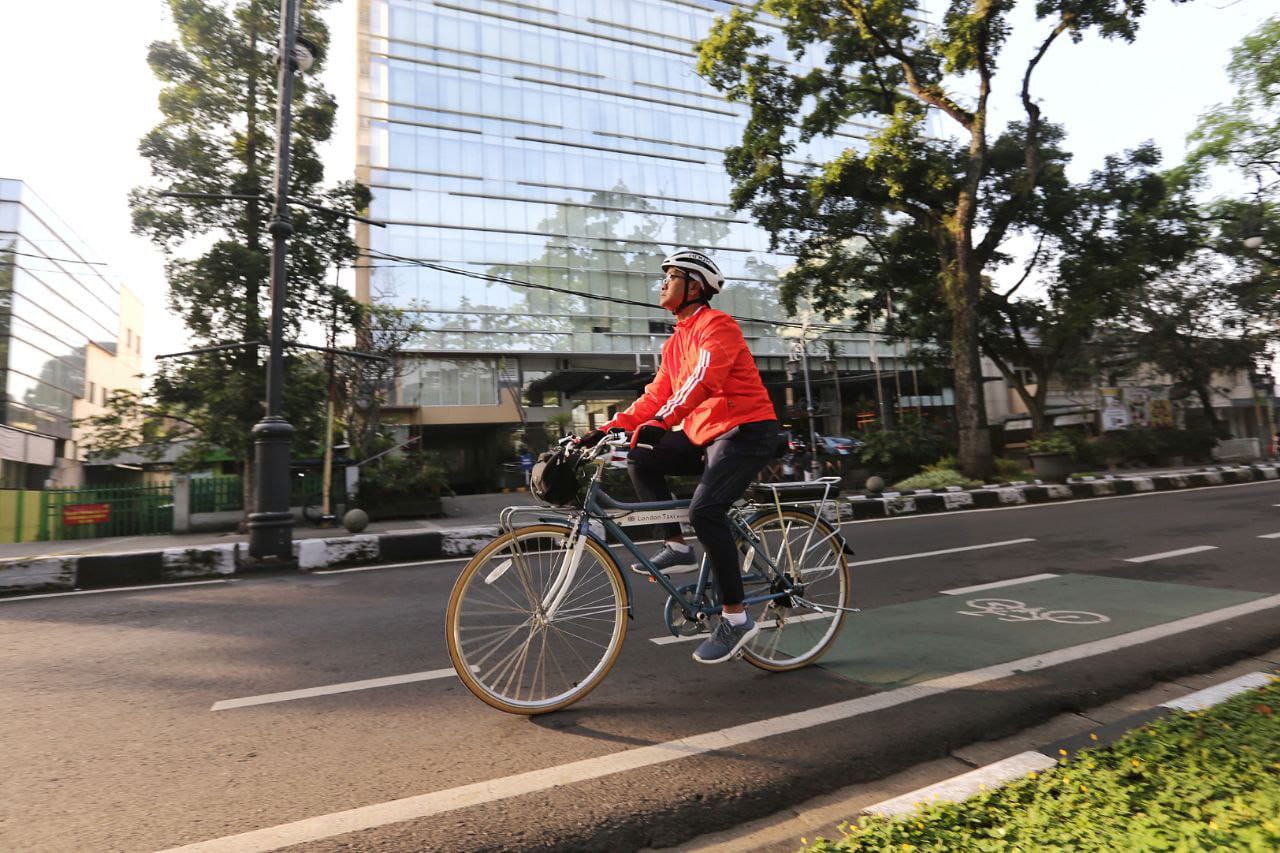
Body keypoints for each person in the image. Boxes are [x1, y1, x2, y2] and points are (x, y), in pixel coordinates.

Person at [577, 249, 780, 664]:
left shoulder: (717, 326)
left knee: (706, 512)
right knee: (640, 455)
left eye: (671, 276)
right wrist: (607, 429)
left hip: (745, 430)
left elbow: (705, 378)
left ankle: (736, 618)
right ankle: (676, 546)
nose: (663, 284)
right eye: (665, 277)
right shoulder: (676, 341)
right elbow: (655, 396)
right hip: (706, 434)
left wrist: (663, 421)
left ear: (694, 286)